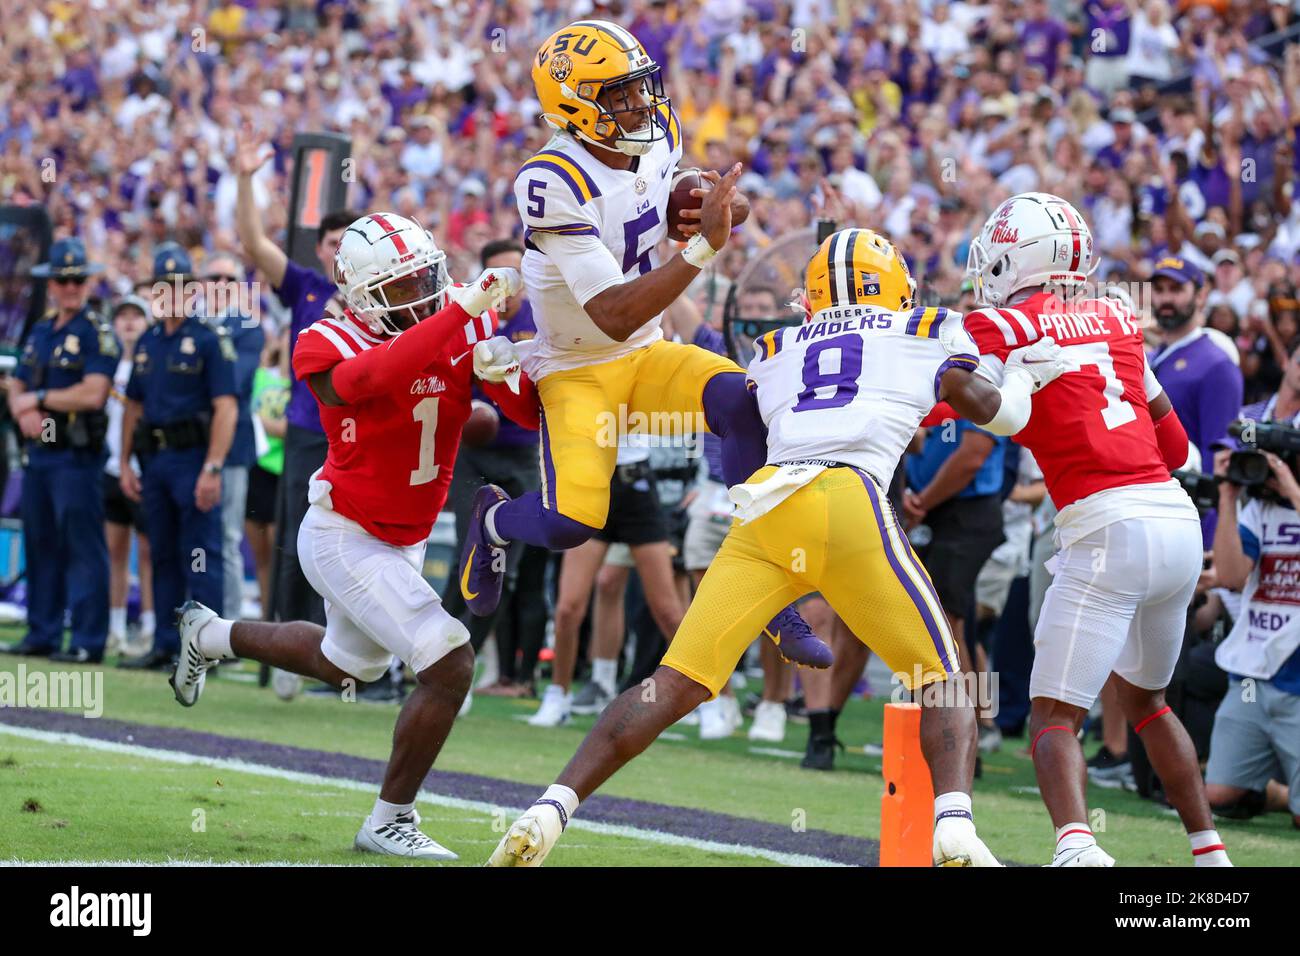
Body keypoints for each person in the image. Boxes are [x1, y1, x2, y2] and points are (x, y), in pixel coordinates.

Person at [488, 226, 1065, 868]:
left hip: (767, 504)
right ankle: (955, 826)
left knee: (673, 683)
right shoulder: (930, 326)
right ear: (896, 285)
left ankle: (551, 808)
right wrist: (1023, 375)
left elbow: (745, 435)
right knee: (943, 678)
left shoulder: (775, 344)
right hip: (848, 496)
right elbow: (1001, 416)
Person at [456, 20, 826, 669]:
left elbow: (679, 200)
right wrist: (707, 243)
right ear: (573, 106)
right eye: (617, 94)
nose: (637, 104)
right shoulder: (550, 179)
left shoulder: (658, 139)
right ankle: (492, 521)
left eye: (637, 87)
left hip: (648, 352)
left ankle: (766, 590)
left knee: (742, 404)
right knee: (571, 524)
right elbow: (612, 313)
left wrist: (715, 207)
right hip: (577, 366)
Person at [168, 213, 537, 859]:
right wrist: (462, 322)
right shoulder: (324, 338)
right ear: (364, 294)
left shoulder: (458, 314)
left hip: (406, 536)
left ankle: (208, 633)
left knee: (344, 665)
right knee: (450, 662)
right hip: (345, 533)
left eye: (426, 278)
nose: (421, 295)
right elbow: (374, 379)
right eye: (401, 287)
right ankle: (390, 820)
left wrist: (509, 377)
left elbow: (519, 417)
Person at [961, 191, 1231, 866]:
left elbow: (973, 406)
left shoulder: (1005, 324)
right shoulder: (1118, 315)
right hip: (1173, 522)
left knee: (1054, 715)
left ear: (1018, 255)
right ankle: (1210, 852)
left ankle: (1078, 849)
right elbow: (1174, 450)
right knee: (1148, 701)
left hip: (1107, 522)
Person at [234, 123, 356, 629]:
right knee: (294, 535)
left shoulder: (387, 297)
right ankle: (288, 642)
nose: (336, 250)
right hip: (308, 429)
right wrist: (245, 180)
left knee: (351, 541)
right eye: (330, 242)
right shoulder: (304, 285)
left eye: (346, 241)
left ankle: (342, 644)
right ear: (322, 248)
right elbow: (253, 243)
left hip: (359, 434)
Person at [118, 244, 237, 671]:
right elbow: (132, 406)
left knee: (200, 553)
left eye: (180, 286)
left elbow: (226, 407)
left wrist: (213, 467)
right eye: (163, 286)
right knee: (162, 552)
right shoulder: (149, 340)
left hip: (192, 459)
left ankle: (207, 649)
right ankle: (167, 646)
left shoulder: (208, 339)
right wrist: (126, 461)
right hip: (154, 461)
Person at [2, 237, 117, 664]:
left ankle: (88, 639)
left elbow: (93, 392)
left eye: (77, 279)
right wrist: (21, 405)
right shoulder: (41, 330)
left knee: (83, 547)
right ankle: (42, 631)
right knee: (41, 542)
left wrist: (40, 398)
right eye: (63, 280)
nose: (70, 287)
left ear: (86, 283)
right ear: (51, 284)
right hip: (41, 452)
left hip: (76, 456)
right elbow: (18, 380)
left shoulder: (95, 331)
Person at [441, 238, 545, 700]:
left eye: (515, 275)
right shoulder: (467, 321)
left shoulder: (542, 320)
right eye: (497, 277)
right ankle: (433, 659)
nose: (508, 286)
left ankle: (461, 670)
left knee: (506, 566)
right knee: (469, 559)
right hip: (474, 457)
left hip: (521, 454)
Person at [1206, 444, 1300, 830]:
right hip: (1253, 672)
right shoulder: (1259, 509)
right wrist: (1228, 499)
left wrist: (1293, 493)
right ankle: (1279, 792)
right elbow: (1230, 577)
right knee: (1219, 796)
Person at [203, 252, 265, 623]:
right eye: (216, 278)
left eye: (230, 280)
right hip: (193, 440)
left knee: (225, 537)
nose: (222, 286)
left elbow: (234, 382)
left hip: (230, 443)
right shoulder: (193, 323)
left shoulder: (248, 328)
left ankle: (223, 627)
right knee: (191, 536)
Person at [103, 294, 155, 656]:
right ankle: (116, 627)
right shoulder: (105, 367)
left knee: (149, 553)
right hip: (109, 467)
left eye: (137, 315)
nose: (129, 322)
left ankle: (151, 629)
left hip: (144, 467)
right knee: (114, 551)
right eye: (123, 316)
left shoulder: (153, 365)